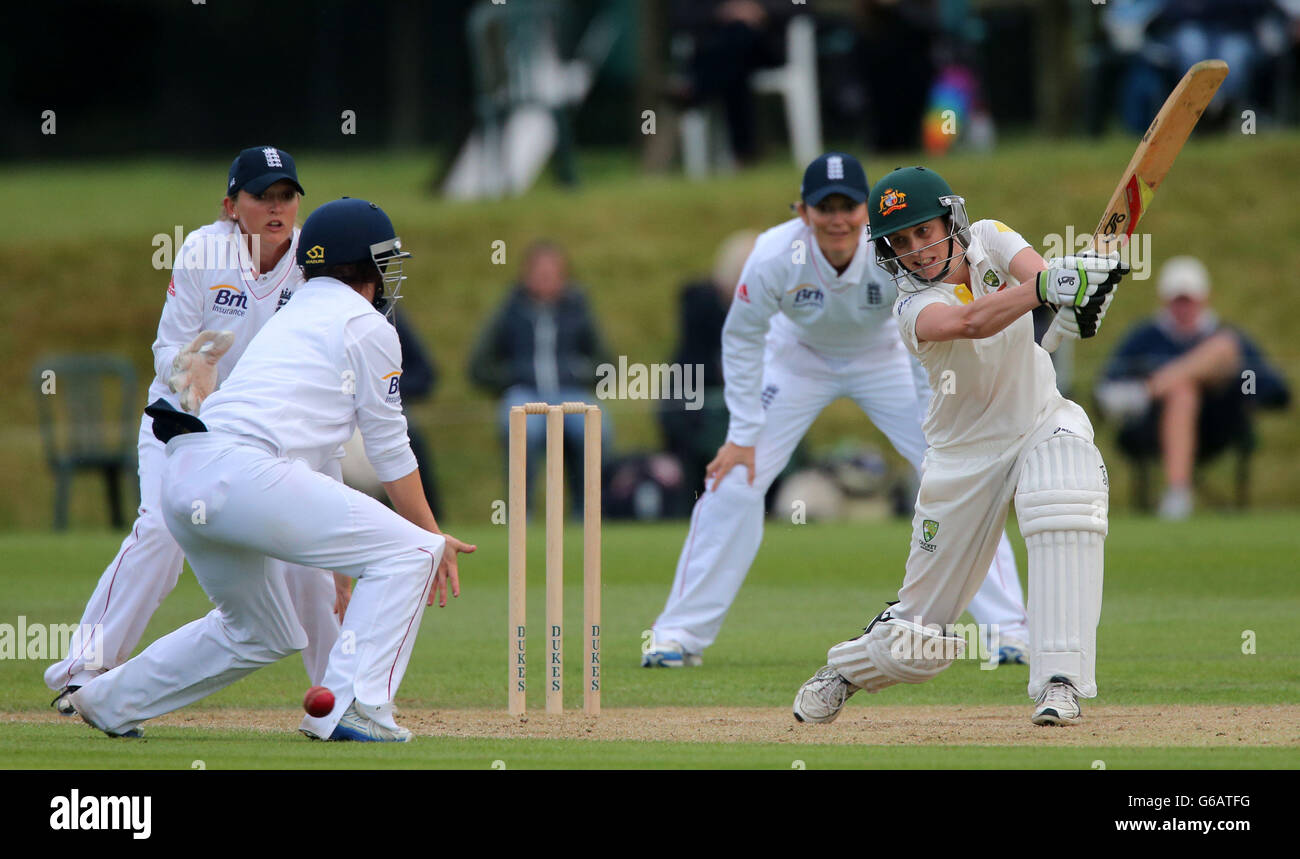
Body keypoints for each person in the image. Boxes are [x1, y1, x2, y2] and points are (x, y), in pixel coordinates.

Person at [69, 198, 475, 742]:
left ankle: (109, 700)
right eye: (384, 263)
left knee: (262, 630)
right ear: (365, 268)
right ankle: (351, 707)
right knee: (411, 552)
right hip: (243, 475)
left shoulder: (293, 316)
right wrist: (431, 534)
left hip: (188, 473)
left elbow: (322, 461)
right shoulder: (365, 326)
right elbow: (390, 451)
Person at [642, 153, 1031, 671]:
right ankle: (676, 636)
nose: (838, 218)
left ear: (866, 211)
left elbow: (934, 324)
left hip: (888, 355)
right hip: (797, 359)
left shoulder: (891, 249)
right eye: (825, 207)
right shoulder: (772, 255)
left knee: (959, 474)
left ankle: (1009, 632)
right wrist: (740, 435)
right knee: (734, 480)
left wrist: (940, 420)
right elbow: (741, 338)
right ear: (802, 212)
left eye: (849, 205)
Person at [791, 165, 1127, 727]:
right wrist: (1049, 289)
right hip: (962, 460)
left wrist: (1076, 294)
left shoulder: (992, 236)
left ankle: (1060, 682)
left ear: (952, 219)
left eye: (925, 231)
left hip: (1040, 421)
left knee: (1067, 493)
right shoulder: (912, 310)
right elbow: (973, 321)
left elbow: (1044, 287)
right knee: (918, 643)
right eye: (901, 241)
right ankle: (845, 671)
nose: (917, 250)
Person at [46, 146, 346, 715]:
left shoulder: (314, 261)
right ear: (232, 206)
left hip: (264, 432)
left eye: (286, 196)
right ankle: (81, 672)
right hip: (182, 422)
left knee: (309, 553)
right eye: (262, 197)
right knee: (160, 530)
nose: (276, 208)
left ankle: (341, 694)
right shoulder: (205, 249)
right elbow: (165, 347)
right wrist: (192, 372)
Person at [1096, 256, 1289, 519]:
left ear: (1203, 299)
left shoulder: (1225, 335)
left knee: (1224, 349)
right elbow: (1110, 381)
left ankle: (1148, 391)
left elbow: (1267, 387)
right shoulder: (1145, 337)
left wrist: (1241, 388)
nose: (1183, 308)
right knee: (1183, 391)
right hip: (1155, 426)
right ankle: (1178, 492)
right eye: (1178, 300)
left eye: (1189, 300)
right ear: (1165, 300)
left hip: (1219, 423)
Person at [467, 240, 612, 512]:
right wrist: (512, 377)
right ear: (526, 275)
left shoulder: (578, 308)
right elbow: (479, 366)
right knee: (522, 430)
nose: (546, 279)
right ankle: (522, 515)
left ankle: (589, 513)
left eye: (553, 273)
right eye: (539, 273)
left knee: (596, 429)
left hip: (571, 394)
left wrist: (577, 372)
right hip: (525, 394)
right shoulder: (510, 310)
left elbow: (605, 363)